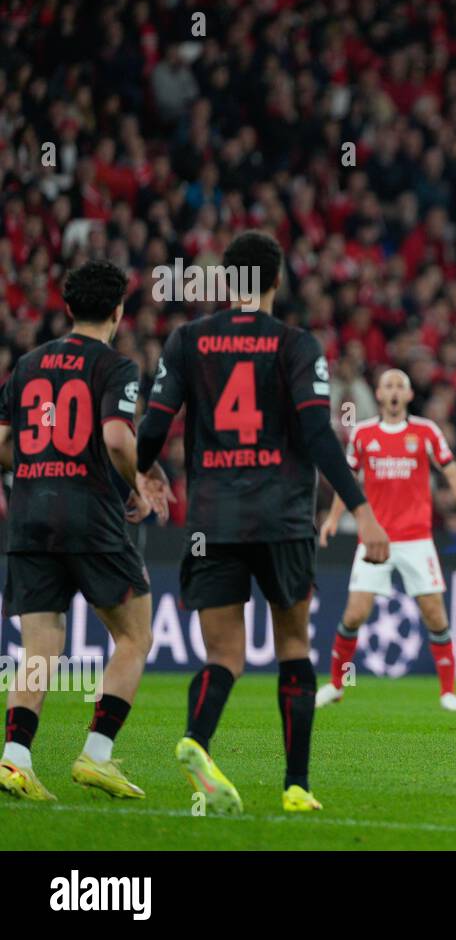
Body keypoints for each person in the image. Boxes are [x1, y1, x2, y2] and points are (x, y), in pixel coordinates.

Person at [136, 231, 390, 814]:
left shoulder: (187, 341)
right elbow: (317, 436)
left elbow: (153, 426)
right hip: (281, 519)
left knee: (223, 655)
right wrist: (361, 509)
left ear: (228, 282)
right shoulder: (296, 345)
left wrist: (141, 474)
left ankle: (196, 739)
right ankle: (296, 786)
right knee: (294, 647)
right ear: (277, 279)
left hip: (210, 520)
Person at [0, 259, 171, 801]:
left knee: (41, 645)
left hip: (28, 517)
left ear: (68, 307)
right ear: (119, 311)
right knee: (134, 634)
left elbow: (2, 445)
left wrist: (35, 463)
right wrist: (139, 484)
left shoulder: (26, 365)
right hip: (90, 517)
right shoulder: (115, 367)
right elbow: (119, 439)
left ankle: (15, 759)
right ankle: (96, 754)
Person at [316, 368, 456, 712]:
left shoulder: (425, 432)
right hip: (375, 539)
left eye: (400, 386)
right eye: (388, 386)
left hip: (415, 538)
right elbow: (348, 480)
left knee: (435, 615)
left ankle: (448, 692)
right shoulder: (364, 434)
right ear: (379, 395)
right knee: (354, 615)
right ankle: (337, 685)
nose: (394, 391)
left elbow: (452, 471)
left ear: (409, 396)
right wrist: (335, 518)